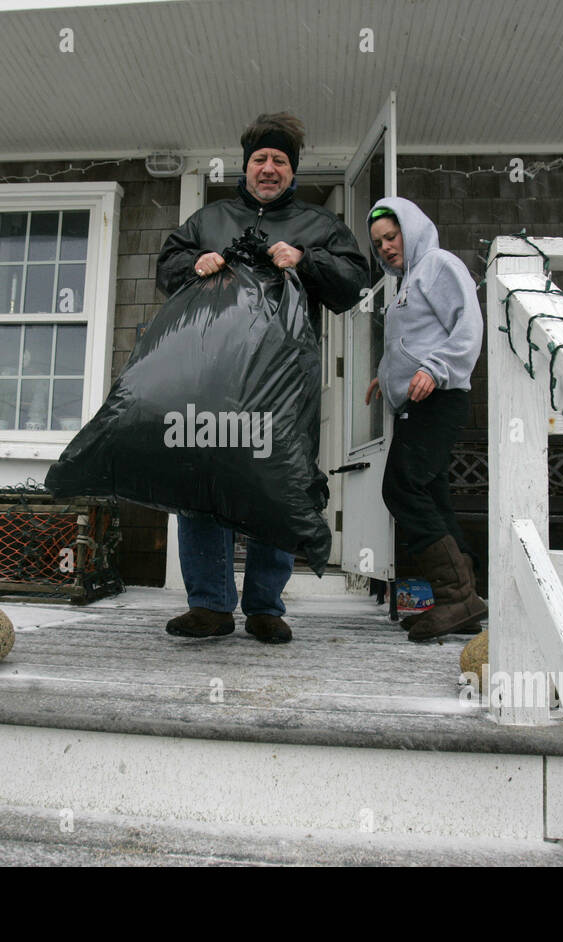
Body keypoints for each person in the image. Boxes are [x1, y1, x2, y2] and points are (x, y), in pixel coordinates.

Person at [155, 112, 369, 643]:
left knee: (278, 484)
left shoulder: (320, 226)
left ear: (292, 172)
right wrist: (195, 263)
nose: (268, 169)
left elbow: (351, 285)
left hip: (284, 385)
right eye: (260, 160)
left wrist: (306, 260)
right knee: (202, 483)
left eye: (279, 161)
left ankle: (266, 606)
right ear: (245, 167)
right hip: (210, 379)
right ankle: (209, 605)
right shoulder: (209, 219)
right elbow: (167, 268)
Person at [363, 197, 486, 642]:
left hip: (441, 398)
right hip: (416, 403)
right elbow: (409, 341)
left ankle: (458, 597)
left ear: (411, 230)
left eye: (391, 237)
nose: (386, 248)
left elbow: (468, 326)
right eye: (378, 244)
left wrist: (434, 369)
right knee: (431, 496)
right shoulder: (405, 285)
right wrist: (385, 376)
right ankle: (464, 603)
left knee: (401, 487)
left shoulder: (438, 265)